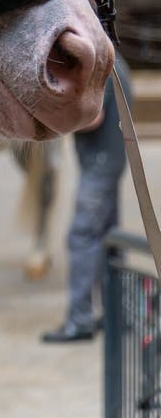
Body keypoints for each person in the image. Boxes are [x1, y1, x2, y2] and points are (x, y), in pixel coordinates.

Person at [41, 54, 132, 343]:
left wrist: (53, 119)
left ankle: (79, 320)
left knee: (81, 236)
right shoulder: (119, 64)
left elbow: (93, 119)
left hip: (100, 163)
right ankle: (116, 313)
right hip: (111, 159)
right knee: (109, 236)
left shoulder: (101, 66)